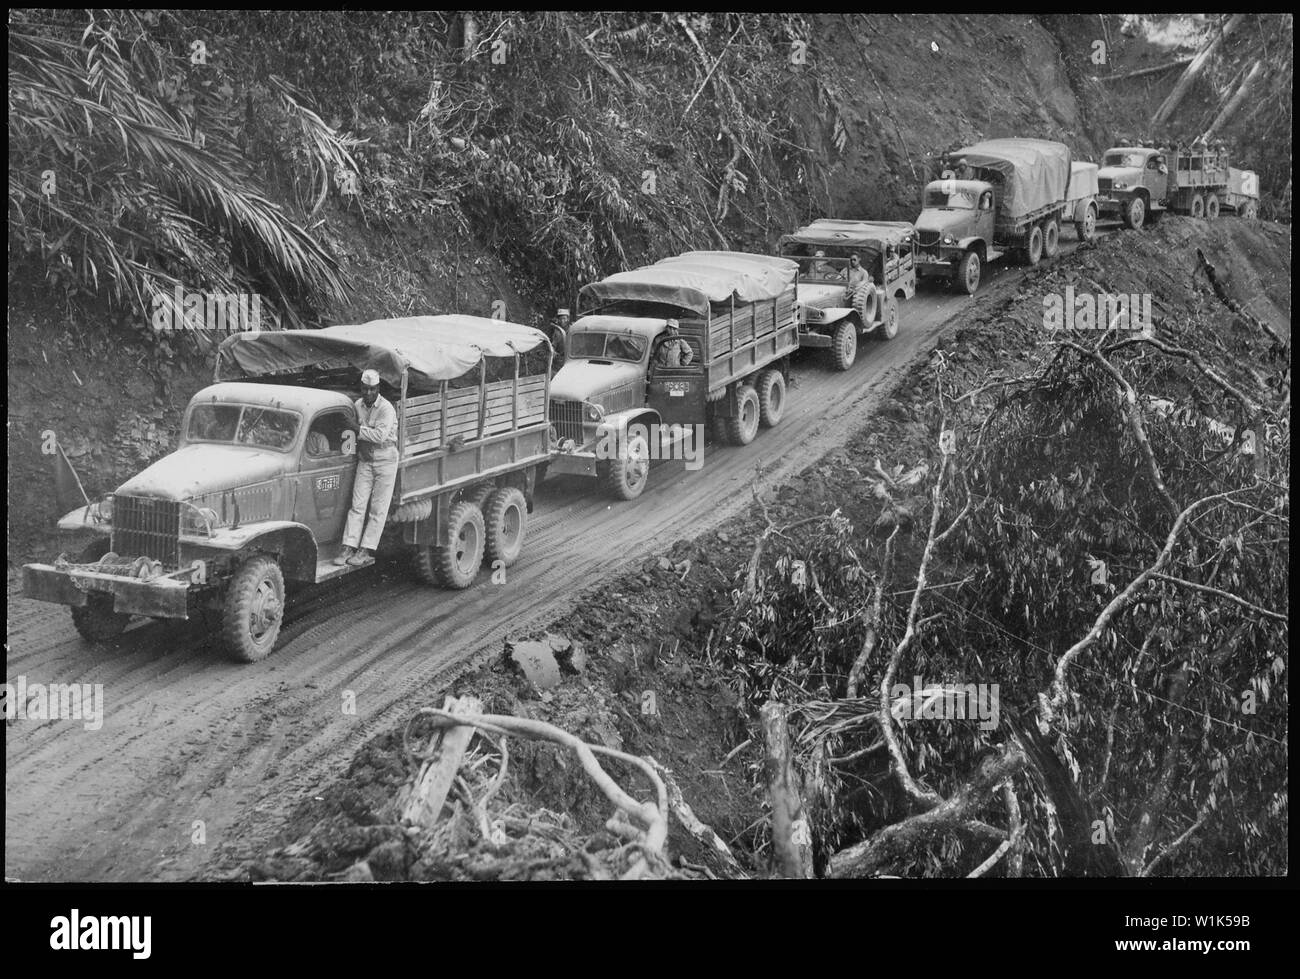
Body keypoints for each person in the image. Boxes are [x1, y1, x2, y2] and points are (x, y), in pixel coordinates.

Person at [335, 369, 399, 566]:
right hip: (366, 458)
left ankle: (366, 550)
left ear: (378, 388)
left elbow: (379, 436)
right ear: (361, 388)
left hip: (385, 458)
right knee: (357, 505)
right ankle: (349, 546)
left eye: (372, 389)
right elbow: (352, 432)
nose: (368, 393)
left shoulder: (386, 409)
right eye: (365, 389)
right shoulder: (358, 405)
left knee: (378, 509)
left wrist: (356, 429)